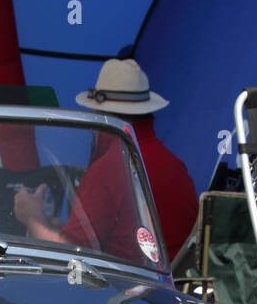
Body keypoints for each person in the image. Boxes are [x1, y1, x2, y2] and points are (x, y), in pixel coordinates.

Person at [14, 58, 197, 261]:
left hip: (131, 289)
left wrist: (32, 218)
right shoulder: (175, 165)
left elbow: (72, 257)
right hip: (174, 286)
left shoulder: (110, 169)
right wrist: (56, 229)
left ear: (100, 116)